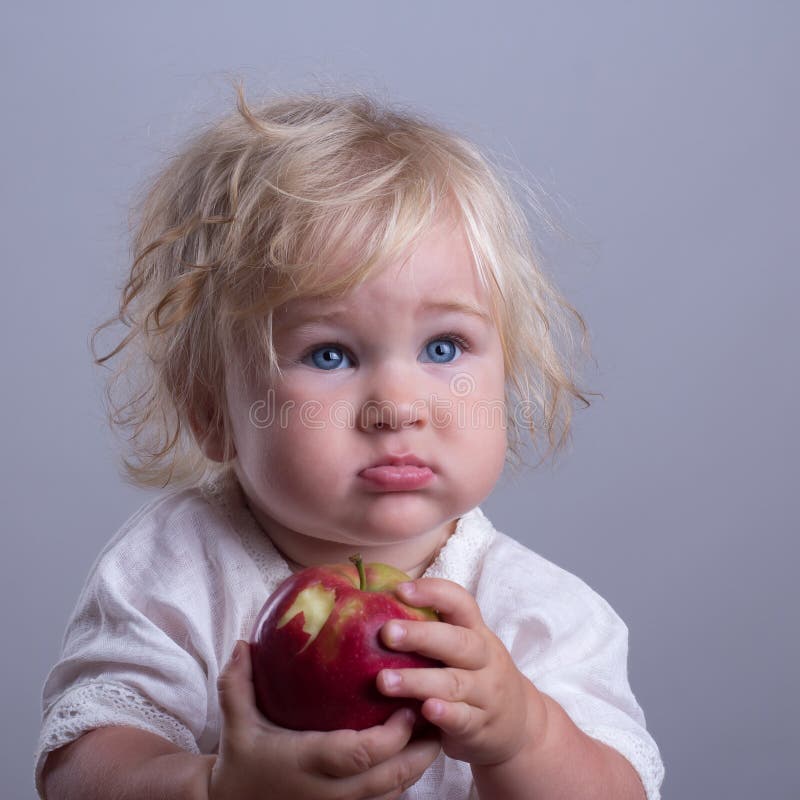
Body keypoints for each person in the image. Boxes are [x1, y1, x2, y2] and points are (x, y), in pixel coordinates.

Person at [36, 86, 664, 800]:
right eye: (329, 354)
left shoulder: (537, 616)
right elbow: (79, 768)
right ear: (209, 408)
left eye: (444, 346)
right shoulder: (177, 571)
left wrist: (526, 736)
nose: (397, 407)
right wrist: (215, 788)